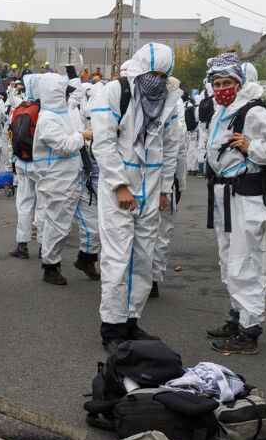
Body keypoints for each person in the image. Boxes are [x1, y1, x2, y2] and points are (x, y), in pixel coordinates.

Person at [203, 52, 266, 354]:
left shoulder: (253, 112)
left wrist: (252, 147)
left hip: (248, 197)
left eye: (227, 83)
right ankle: (237, 317)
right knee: (229, 261)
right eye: (217, 83)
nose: (222, 88)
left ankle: (250, 329)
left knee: (247, 263)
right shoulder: (223, 110)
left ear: (239, 83)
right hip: (227, 197)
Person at [91, 44, 183, 350]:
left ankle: (131, 321)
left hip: (151, 190)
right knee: (117, 260)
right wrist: (120, 185)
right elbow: (103, 143)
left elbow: (170, 146)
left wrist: (164, 189)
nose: (157, 80)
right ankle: (112, 329)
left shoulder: (169, 99)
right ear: (140, 69)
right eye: (152, 73)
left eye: (163, 75)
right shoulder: (116, 92)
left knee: (143, 260)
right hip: (119, 190)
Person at [31, 72, 91, 285]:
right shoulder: (48, 119)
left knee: (72, 222)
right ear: (54, 94)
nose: (67, 97)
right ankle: (50, 266)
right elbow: (64, 145)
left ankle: (85, 258)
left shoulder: (60, 115)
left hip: (71, 176)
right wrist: (82, 136)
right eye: (64, 93)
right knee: (57, 225)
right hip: (57, 179)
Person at [150, 77, 189, 298]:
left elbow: (178, 151)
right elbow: (179, 153)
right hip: (164, 183)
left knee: (152, 232)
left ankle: (147, 277)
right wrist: (179, 186)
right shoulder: (175, 118)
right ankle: (152, 278)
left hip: (155, 184)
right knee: (160, 233)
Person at [8, 73, 42, 259]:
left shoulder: (20, 108)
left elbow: (11, 133)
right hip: (41, 163)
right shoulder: (44, 109)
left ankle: (22, 245)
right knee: (43, 206)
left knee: (24, 204)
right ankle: (44, 246)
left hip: (21, 161)